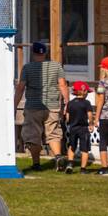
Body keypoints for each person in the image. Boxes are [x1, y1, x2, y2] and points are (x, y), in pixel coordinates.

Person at [15, 42, 69, 172]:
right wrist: (67, 102)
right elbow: (62, 85)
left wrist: (14, 105)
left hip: (33, 106)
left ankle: (36, 163)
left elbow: (20, 88)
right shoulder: (56, 66)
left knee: (33, 134)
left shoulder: (27, 68)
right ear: (45, 53)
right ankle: (57, 157)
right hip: (53, 105)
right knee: (54, 132)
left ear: (33, 53)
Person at [63, 81, 93, 175]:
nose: (88, 94)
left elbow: (67, 117)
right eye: (87, 92)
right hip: (83, 128)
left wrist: (70, 123)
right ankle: (83, 169)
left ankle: (70, 164)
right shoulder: (87, 103)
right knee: (85, 149)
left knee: (72, 146)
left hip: (73, 128)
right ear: (83, 91)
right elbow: (90, 115)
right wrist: (91, 124)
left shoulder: (70, 103)